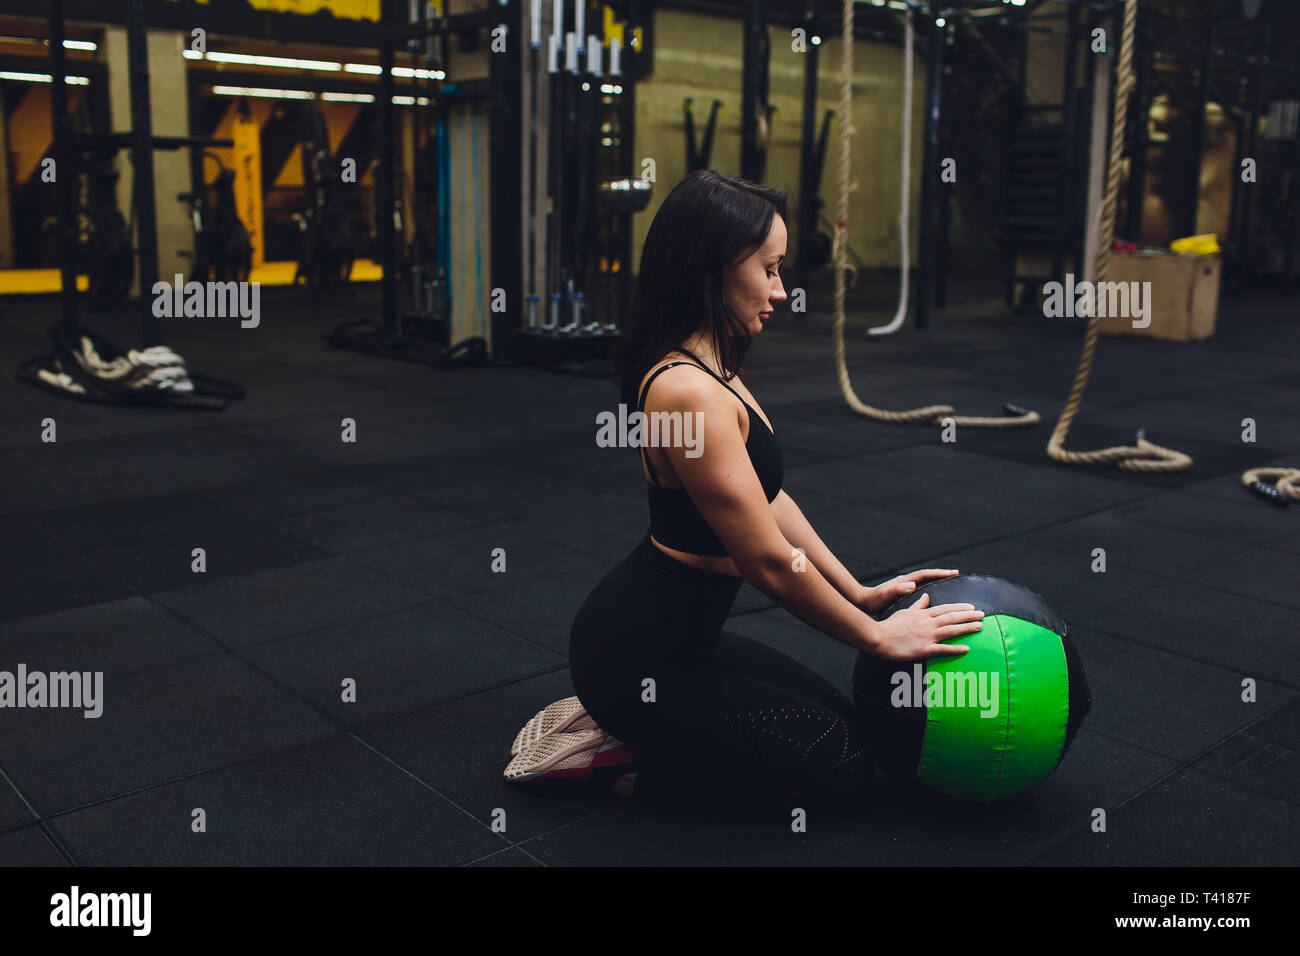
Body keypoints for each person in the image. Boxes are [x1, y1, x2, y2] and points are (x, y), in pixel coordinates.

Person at [504, 170, 985, 818]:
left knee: (848, 727)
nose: (781, 291)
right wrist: (878, 639)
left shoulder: (716, 370)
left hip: (686, 644)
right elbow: (764, 562)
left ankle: (626, 727)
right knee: (840, 768)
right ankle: (604, 762)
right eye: (769, 269)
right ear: (711, 272)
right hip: (633, 654)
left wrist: (861, 592)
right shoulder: (685, 391)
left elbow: (770, 499)